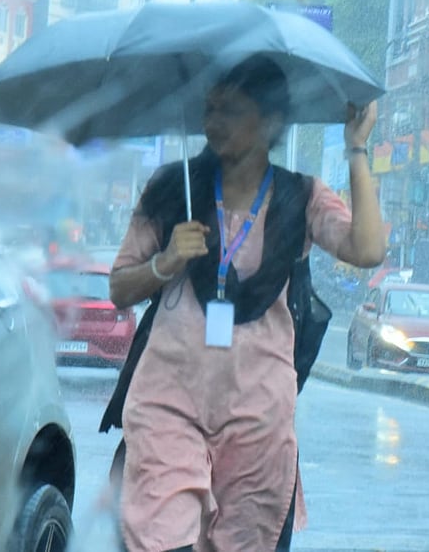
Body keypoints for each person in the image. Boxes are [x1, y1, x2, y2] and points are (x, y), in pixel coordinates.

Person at [100, 54, 385, 552]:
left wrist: (356, 151)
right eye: (209, 110)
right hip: (169, 401)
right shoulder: (173, 189)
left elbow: (367, 250)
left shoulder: (301, 196)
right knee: (158, 538)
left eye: (230, 111)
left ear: (271, 121)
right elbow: (120, 287)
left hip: (258, 414)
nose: (214, 123)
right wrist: (166, 262)